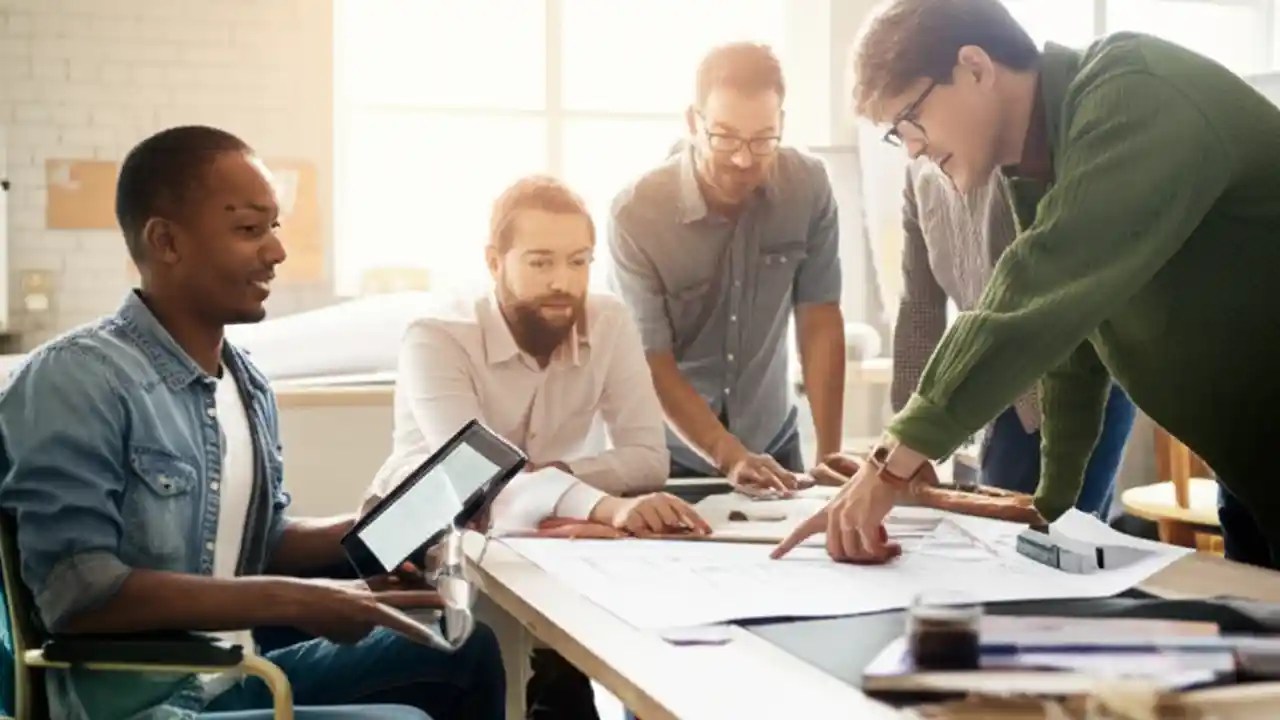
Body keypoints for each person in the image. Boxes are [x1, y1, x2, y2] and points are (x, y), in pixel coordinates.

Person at [0, 126, 505, 719]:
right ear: (165, 241)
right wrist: (300, 600)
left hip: (236, 673)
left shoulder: (246, 382)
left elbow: (254, 542)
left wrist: (377, 528)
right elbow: (79, 594)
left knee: (464, 647)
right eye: (248, 229)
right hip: (151, 705)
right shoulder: (77, 379)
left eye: (274, 228)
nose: (276, 252)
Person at [775, 0, 1280, 568]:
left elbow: (1030, 296)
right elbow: (1073, 347)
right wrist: (1054, 511)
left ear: (974, 67)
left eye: (908, 120)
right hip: (1248, 470)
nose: (912, 148)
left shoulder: (1133, 95)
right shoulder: (1046, 160)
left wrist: (887, 463)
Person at [362, 175, 709, 720]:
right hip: (419, 539)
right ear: (494, 261)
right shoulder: (436, 335)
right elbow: (473, 477)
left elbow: (648, 458)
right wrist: (600, 501)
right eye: (541, 262)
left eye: (579, 262)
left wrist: (556, 479)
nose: (563, 282)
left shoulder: (609, 320)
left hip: (546, 540)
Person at [609, 42, 846, 494]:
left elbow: (819, 320)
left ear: (782, 125)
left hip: (774, 441)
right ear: (693, 122)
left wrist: (829, 459)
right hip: (670, 456)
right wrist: (729, 454)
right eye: (725, 137)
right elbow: (650, 360)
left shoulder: (809, 187)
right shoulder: (636, 214)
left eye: (762, 140)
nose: (743, 158)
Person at [893, 158, 1136, 517]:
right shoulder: (918, 172)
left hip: (1084, 373)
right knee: (1005, 538)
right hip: (998, 389)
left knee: (1064, 539)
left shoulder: (1012, 157)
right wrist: (904, 437)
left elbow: (1038, 294)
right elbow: (919, 307)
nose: (909, 144)